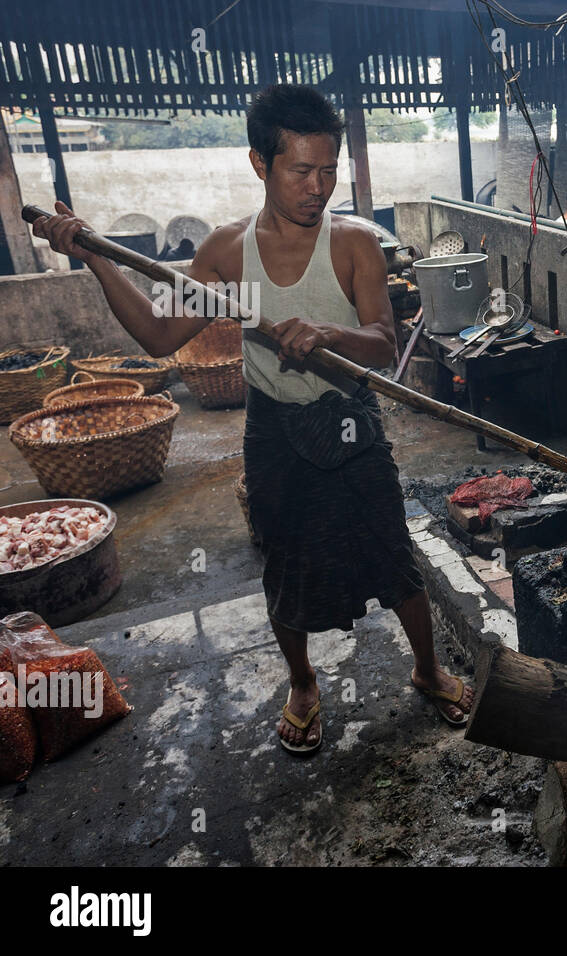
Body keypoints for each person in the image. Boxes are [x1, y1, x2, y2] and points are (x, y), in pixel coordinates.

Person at [31, 84, 473, 755]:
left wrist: (330, 334)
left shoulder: (354, 243)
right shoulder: (229, 254)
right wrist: (95, 259)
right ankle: (302, 684)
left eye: (329, 171)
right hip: (274, 431)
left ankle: (428, 667)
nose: (317, 188)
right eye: (300, 171)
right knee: (285, 557)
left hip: (352, 417)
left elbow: (383, 344)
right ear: (259, 164)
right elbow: (157, 334)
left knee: (391, 547)